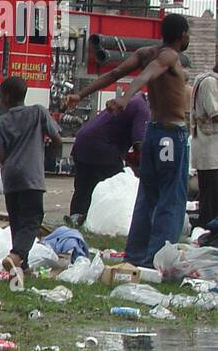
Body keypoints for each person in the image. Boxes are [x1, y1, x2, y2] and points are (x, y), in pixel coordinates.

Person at [65, 14, 192, 267]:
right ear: (183, 36)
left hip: (153, 132)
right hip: (171, 133)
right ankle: (159, 258)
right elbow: (146, 76)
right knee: (171, 196)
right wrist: (125, 99)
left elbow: (115, 73)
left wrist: (81, 94)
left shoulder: (147, 52)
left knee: (148, 195)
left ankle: (136, 254)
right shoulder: (169, 57)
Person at [0, 76, 60, 283]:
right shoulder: (38, 112)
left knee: (17, 221)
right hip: (32, 176)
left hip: (11, 177)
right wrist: (50, 157)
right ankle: (16, 256)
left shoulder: (2, 121)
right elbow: (56, 136)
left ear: (5, 97)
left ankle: (22, 267)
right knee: (31, 221)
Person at [67, 91, 148, 225]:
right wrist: (147, 169)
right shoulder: (143, 108)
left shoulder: (133, 98)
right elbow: (139, 143)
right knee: (118, 185)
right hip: (103, 147)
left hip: (82, 141)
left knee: (83, 188)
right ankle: (115, 222)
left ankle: (76, 219)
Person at [193, 65, 218, 229]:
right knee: (211, 199)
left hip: (211, 150)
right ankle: (206, 232)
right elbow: (214, 114)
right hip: (210, 151)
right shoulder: (209, 82)